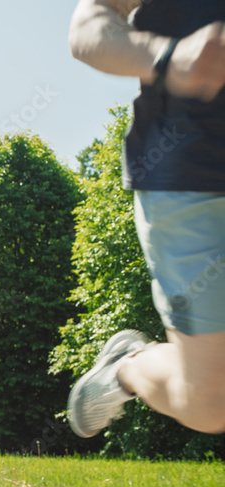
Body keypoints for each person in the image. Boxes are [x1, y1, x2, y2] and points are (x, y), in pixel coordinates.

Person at [67, 1, 225, 439]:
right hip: (193, 176)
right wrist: (169, 57)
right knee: (210, 403)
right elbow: (87, 28)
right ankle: (128, 368)